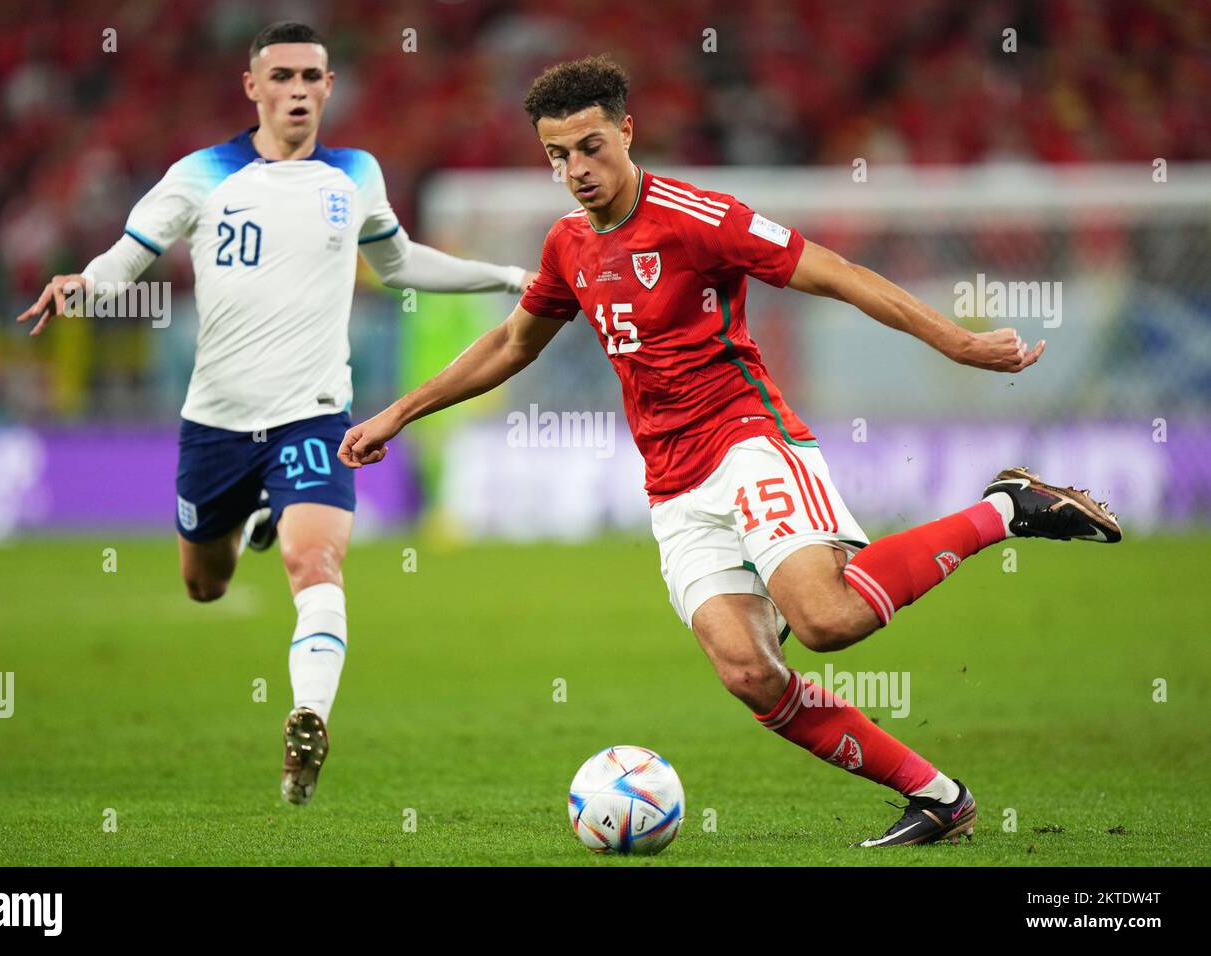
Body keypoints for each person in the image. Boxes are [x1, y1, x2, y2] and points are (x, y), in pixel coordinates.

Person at [337, 55, 1121, 847]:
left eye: (590, 146)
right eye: (557, 155)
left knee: (825, 620)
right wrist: (398, 413)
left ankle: (1006, 507)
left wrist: (956, 341)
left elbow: (837, 274)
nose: (575, 169)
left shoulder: (698, 216)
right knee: (751, 673)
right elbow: (513, 343)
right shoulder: (568, 245)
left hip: (747, 438)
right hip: (672, 486)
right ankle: (938, 798)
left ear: (627, 130)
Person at [17, 22, 536, 806]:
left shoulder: (356, 174)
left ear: (329, 88)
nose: (298, 89)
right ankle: (252, 518)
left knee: (314, 566)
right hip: (216, 424)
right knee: (205, 583)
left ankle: (307, 721)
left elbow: (399, 263)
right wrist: (82, 286)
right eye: (282, 75)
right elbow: (127, 263)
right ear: (252, 86)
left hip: (315, 415)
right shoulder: (201, 174)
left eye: (312, 76)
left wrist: (504, 275)